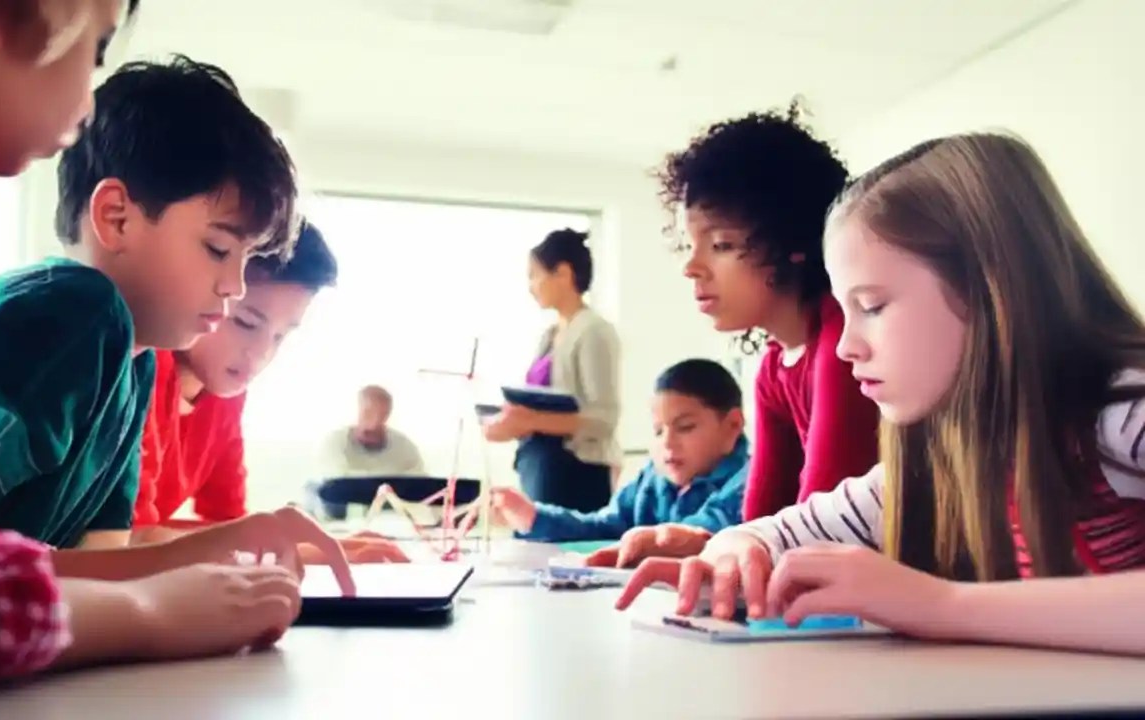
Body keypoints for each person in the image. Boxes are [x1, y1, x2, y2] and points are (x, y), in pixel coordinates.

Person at [0, 0, 330, 695]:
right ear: (115, 216)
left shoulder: (133, 362)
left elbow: (81, 558)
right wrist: (145, 611)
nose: (235, 288)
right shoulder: (77, 311)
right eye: (217, 249)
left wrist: (215, 549)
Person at [617, 133, 1145, 657]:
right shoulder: (936, 457)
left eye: (871, 306)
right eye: (844, 311)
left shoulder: (1120, 412)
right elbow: (774, 531)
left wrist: (939, 605)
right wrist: (736, 552)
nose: (845, 346)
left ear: (989, 289)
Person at [133, 223, 406, 562]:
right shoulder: (143, 371)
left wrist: (312, 546)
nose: (262, 353)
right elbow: (130, 539)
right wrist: (291, 550)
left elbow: (227, 523)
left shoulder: (224, 394)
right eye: (246, 323)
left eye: (281, 335)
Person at [662, 104, 878, 522]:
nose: (691, 267)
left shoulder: (843, 341)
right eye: (689, 246)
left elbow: (821, 523)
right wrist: (707, 543)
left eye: (721, 245)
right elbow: (763, 518)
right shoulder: (774, 370)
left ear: (792, 241)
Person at [491, 359, 748, 566]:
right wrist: (532, 516)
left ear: (732, 426)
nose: (668, 443)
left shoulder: (748, 482)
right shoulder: (653, 478)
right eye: (658, 431)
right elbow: (604, 529)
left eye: (685, 427)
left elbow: (705, 536)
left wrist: (644, 543)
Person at [484, 228, 620, 512]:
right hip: (539, 464)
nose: (530, 286)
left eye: (534, 275)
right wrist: (509, 421)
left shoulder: (593, 331)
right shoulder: (549, 335)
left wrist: (530, 420)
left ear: (563, 273)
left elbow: (603, 418)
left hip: (575, 472)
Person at [318, 385, 425, 479]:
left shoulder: (405, 448)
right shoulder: (335, 443)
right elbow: (334, 480)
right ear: (358, 410)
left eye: (382, 415)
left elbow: (419, 482)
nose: (374, 423)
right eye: (368, 413)